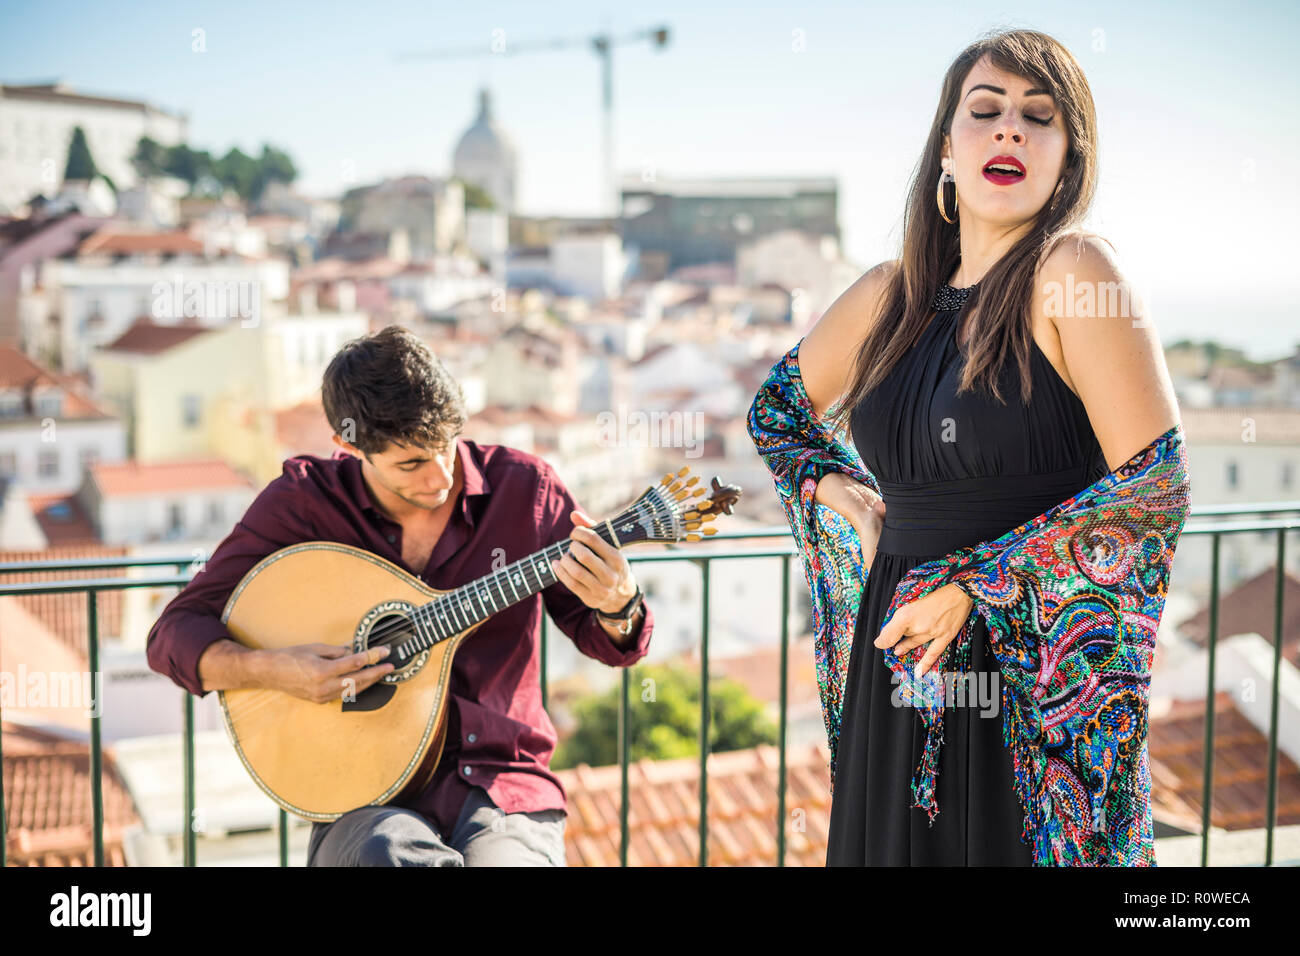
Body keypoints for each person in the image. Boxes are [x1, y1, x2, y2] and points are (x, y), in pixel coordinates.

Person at [781, 30, 1180, 864]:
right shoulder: (890, 295)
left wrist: (976, 587)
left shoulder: (1077, 270)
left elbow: (1155, 490)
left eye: (1039, 118)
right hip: (898, 656)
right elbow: (778, 411)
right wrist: (838, 487)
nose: (1009, 131)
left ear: (1067, 163)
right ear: (947, 150)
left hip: (1027, 675)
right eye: (985, 111)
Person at [146, 325, 653, 866]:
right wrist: (273, 670)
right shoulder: (304, 505)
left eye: (445, 448)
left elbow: (608, 642)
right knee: (385, 854)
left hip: (502, 782)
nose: (439, 476)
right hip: (360, 795)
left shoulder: (525, 490)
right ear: (348, 445)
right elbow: (172, 634)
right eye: (410, 463)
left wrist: (618, 603)